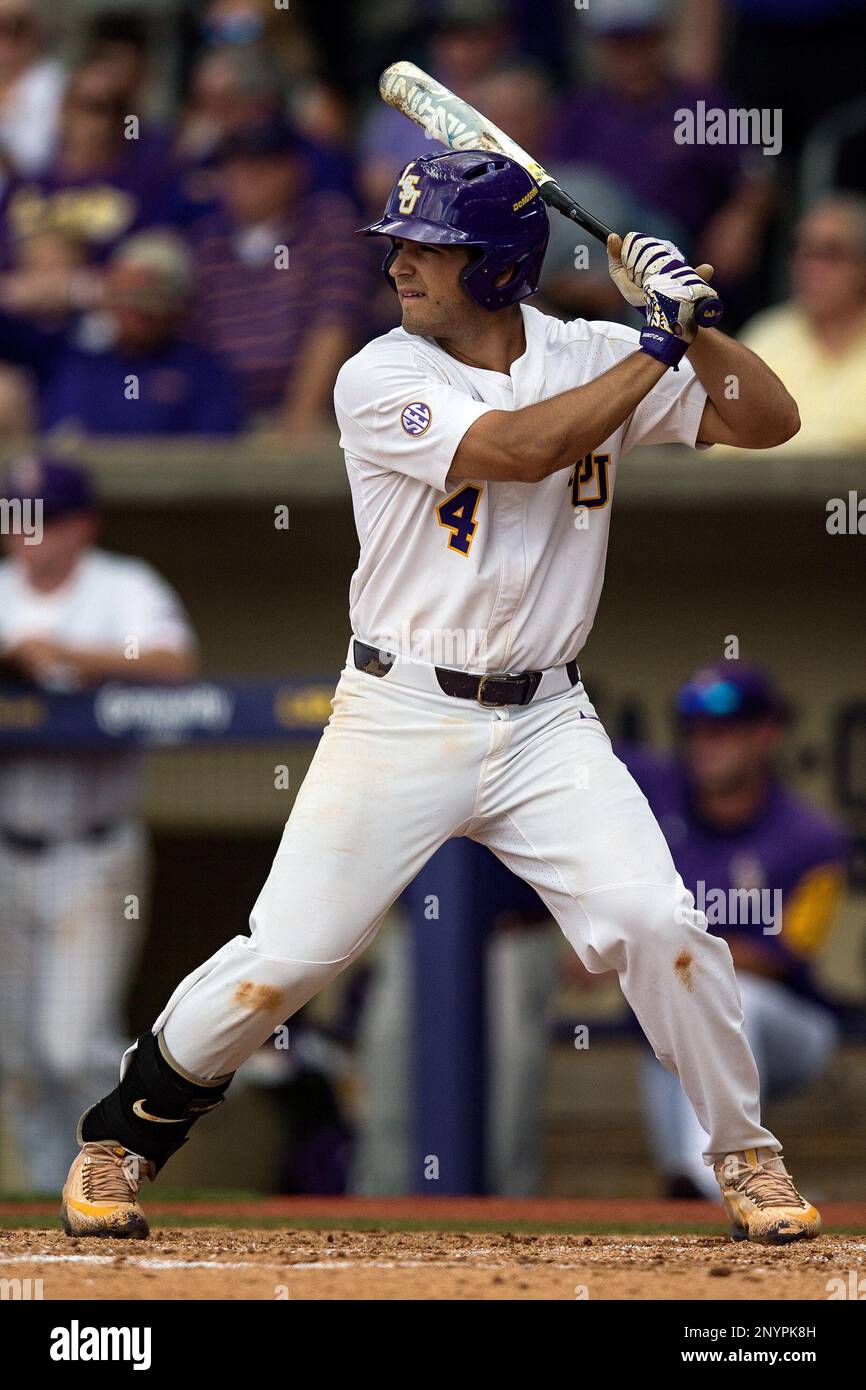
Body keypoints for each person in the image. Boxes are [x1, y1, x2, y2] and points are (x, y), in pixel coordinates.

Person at [60, 149, 815, 1248]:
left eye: (432, 248)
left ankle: (741, 1154)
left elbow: (769, 421)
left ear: (501, 266)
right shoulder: (374, 375)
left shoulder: (600, 351)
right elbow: (519, 449)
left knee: (658, 921)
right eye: (399, 245)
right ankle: (125, 1133)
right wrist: (655, 344)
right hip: (401, 709)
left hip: (546, 719)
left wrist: (688, 321)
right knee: (290, 957)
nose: (403, 264)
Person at [0, 456, 197, 1190]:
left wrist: (67, 659)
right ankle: (45, 1198)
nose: (26, 535)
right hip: (7, 848)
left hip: (93, 850)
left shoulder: (124, 586)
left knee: (70, 1046)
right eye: (15, 517)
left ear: (82, 525)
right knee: (17, 1058)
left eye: (43, 517)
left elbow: (177, 663)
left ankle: (109, 1171)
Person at [632, 662, 849, 1199]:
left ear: (766, 734)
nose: (706, 745)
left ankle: (715, 1173)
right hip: (674, 1027)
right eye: (696, 731)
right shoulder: (659, 797)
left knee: (725, 992)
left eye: (724, 732)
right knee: (680, 1009)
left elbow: (784, 956)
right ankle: (704, 1193)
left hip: (789, 1028)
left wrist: (668, 950)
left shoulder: (813, 838)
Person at [191, 117, 364, 433]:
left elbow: (334, 323)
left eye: (257, 171)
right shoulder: (209, 239)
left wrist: (298, 419)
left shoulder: (327, 223)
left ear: (294, 171)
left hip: (312, 414)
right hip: (220, 413)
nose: (242, 182)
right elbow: (196, 338)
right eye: (233, 170)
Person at [0, 230, 244, 436]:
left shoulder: (202, 373)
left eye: (151, 293)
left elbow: (212, 463)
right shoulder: (68, 350)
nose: (136, 306)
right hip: (64, 487)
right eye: (126, 290)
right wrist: (71, 290)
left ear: (179, 304)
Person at [735, 195, 866, 454]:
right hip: (762, 493)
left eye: (830, 253)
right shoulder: (765, 336)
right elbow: (720, 452)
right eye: (802, 251)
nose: (810, 267)